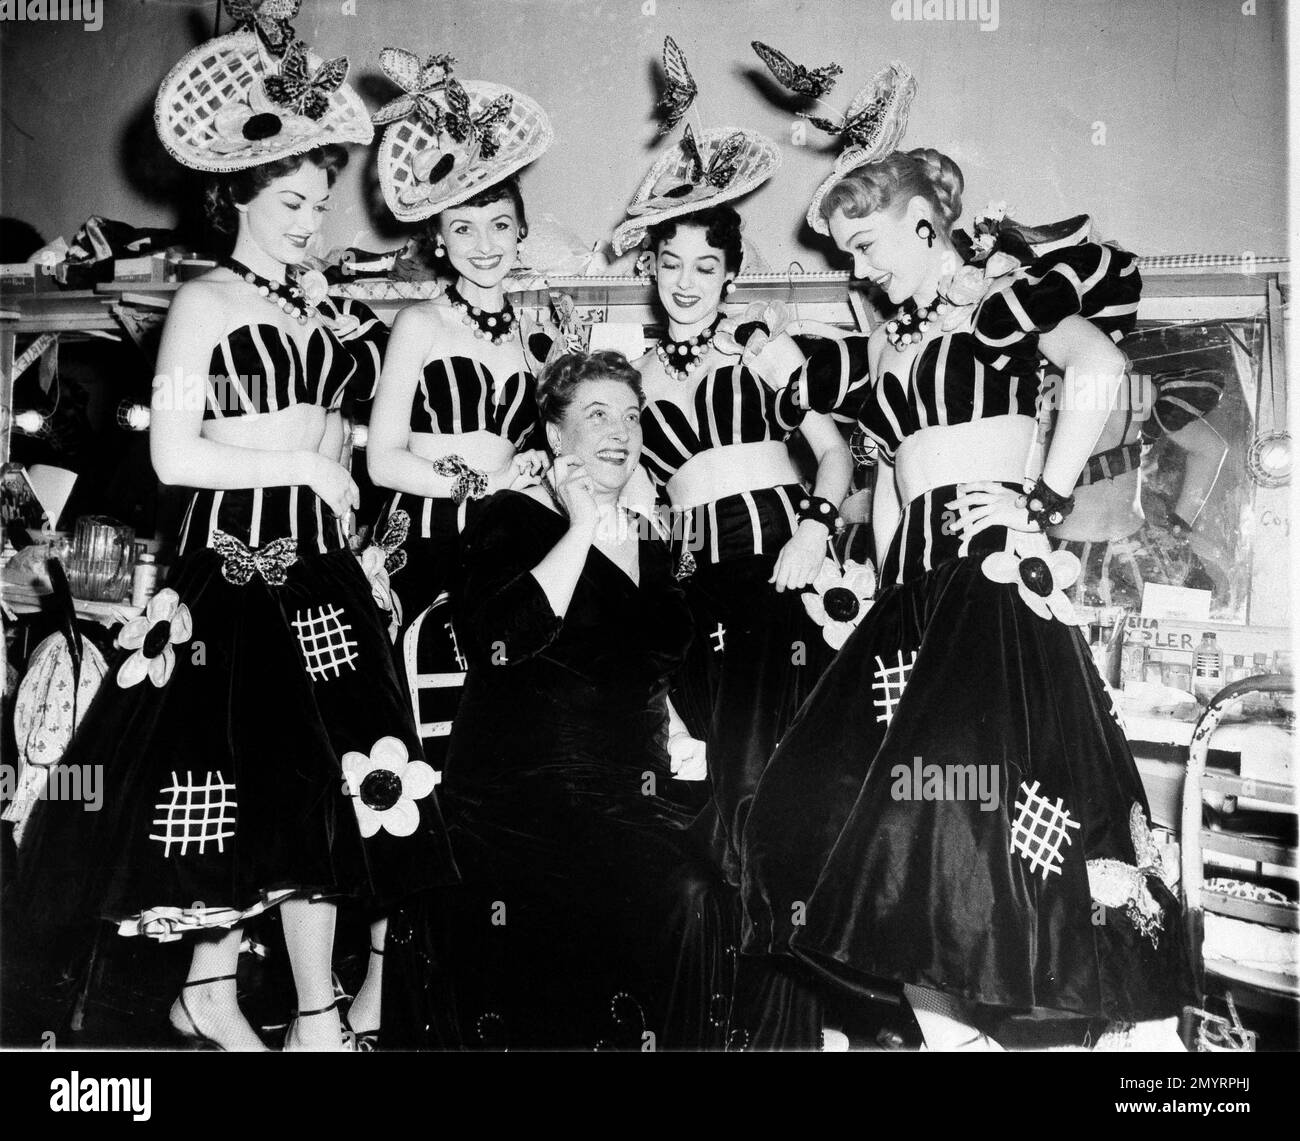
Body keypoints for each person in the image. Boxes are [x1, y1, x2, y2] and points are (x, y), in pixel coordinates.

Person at [15, 24, 456, 1051]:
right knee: (268, 795)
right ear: (238, 199)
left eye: (317, 203)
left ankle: (242, 997)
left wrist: (359, 540)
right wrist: (300, 468)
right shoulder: (202, 304)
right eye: (291, 204)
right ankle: (288, 1012)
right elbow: (172, 455)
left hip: (323, 581)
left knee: (330, 799)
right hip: (236, 580)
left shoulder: (314, 310)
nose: (309, 223)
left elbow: (334, 447)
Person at [741, 62, 1193, 1050]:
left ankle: (1107, 1039)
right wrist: (874, 582)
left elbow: (1102, 370)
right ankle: (951, 1040)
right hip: (916, 602)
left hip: (992, 590)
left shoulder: (999, 294)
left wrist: (1040, 500)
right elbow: (900, 479)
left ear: (917, 222)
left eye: (864, 246)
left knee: (994, 826)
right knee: (882, 828)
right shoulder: (888, 348)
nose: (859, 269)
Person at [381, 352, 735, 1050]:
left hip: (630, 796)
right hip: (518, 805)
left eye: (632, 416)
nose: (620, 432)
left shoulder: (650, 540)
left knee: (700, 891)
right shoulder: (508, 520)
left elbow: (665, 658)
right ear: (553, 434)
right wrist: (578, 528)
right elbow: (499, 640)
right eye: (596, 414)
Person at [611, 135, 854, 894]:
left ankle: (786, 983)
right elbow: (645, 507)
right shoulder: (635, 379)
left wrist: (815, 528)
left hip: (779, 577)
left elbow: (837, 454)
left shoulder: (761, 350)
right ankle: (729, 981)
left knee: (767, 778)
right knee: (705, 781)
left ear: (731, 274)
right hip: (693, 590)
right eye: (672, 263)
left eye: (707, 266)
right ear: (650, 265)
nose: (687, 283)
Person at [367, 51, 552, 767]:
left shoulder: (541, 333)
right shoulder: (418, 323)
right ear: (437, 239)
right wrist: (482, 484)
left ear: (521, 231)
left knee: (512, 714)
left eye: (500, 226)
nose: (485, 245)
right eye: (465, 228)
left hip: (510, 538)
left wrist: (530, 469)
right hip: (430, 538)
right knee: (427, 716)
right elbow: (384, 459)